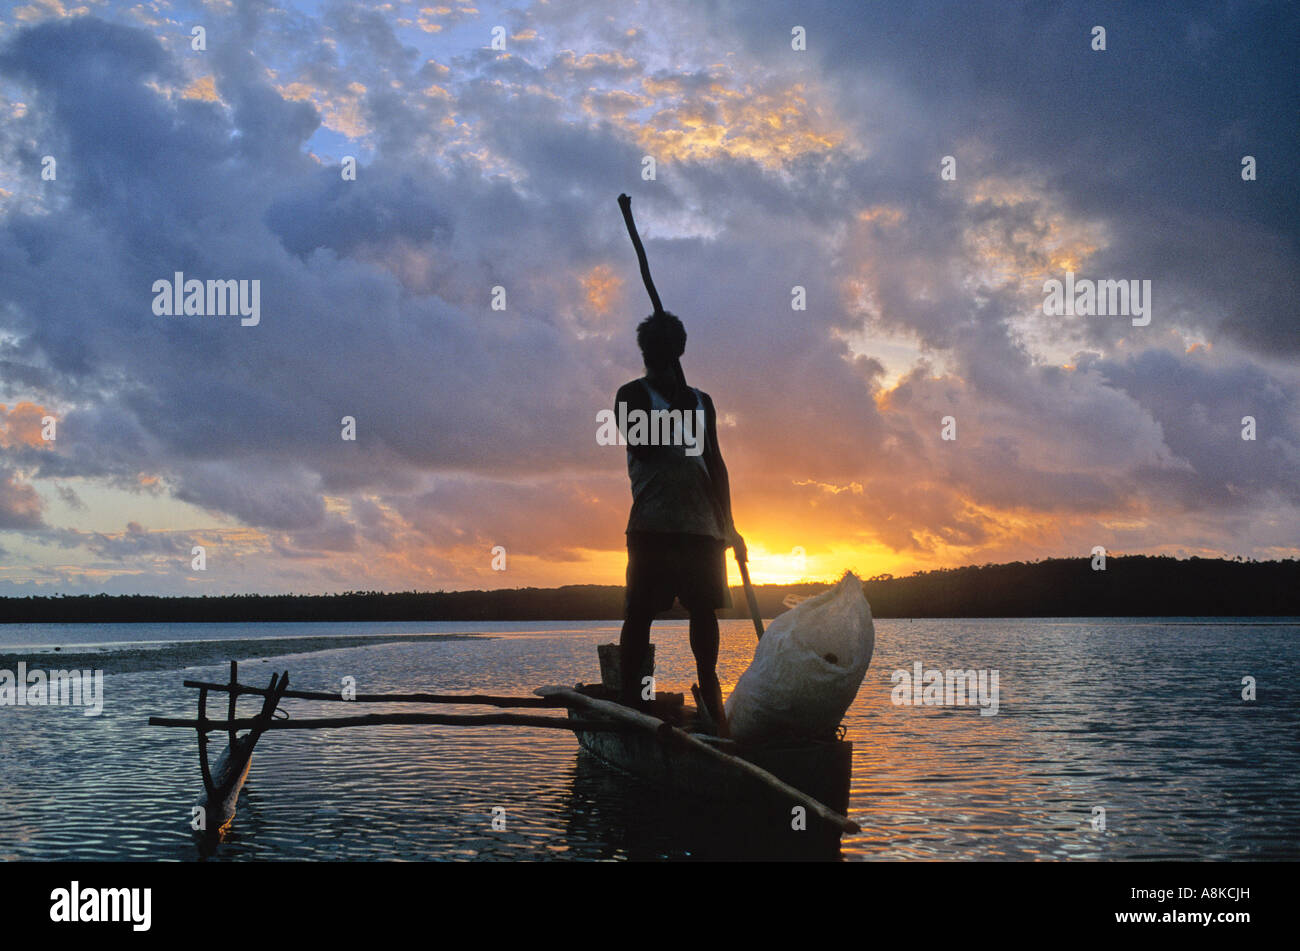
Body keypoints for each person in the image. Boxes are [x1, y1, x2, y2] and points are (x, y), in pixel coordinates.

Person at [614, 311, 745, 735]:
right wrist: (678, 408)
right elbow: (645, 447)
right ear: (648, 354)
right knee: (639, 614)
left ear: (676, 353)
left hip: (701, 526)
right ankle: (630, 700)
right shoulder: (632, 395)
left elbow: (716, 464)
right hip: (652, 525)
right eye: (654, 352)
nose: (658, 358)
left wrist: (731, 525)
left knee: (704, 611)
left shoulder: (702, 401)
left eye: (664, 352)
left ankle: (710, 692)